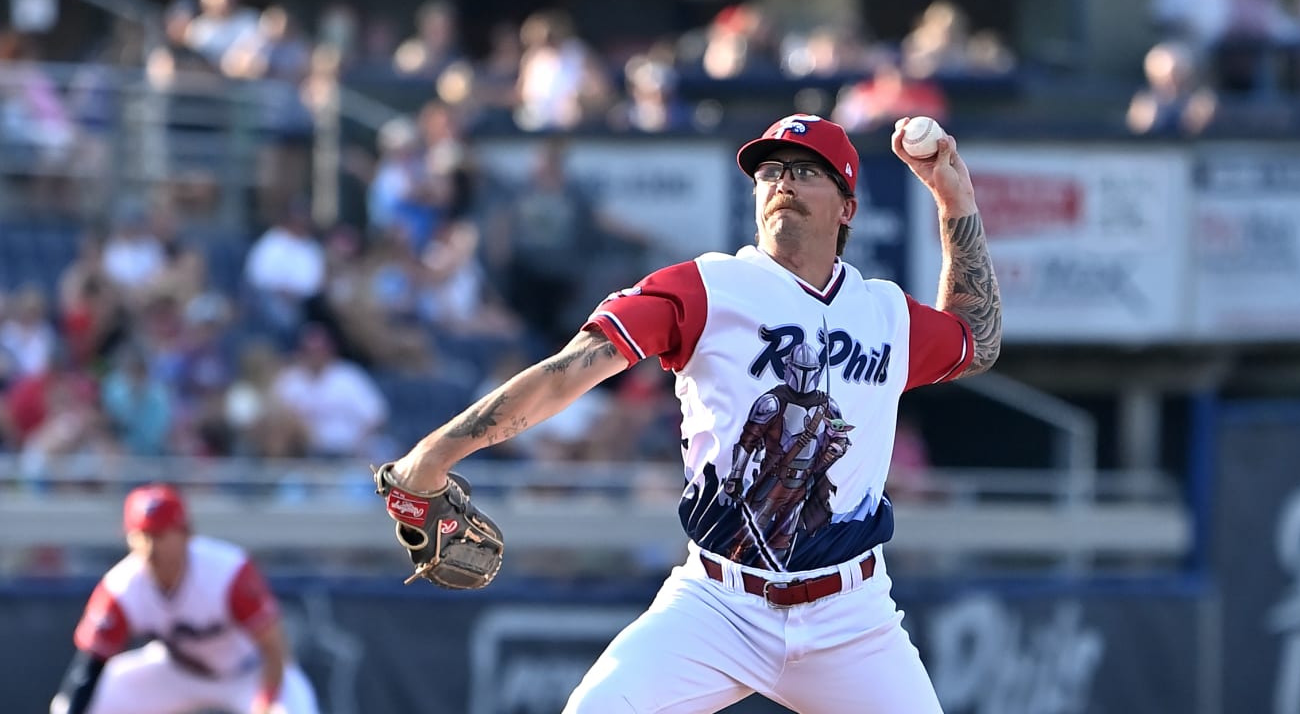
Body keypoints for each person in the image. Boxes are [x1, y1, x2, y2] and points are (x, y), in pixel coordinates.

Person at [380, 112, 1001, 712]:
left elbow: (978, 337)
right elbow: (564, 375)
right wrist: (433, 455)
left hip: (851, 616)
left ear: (847, 208)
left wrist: (955, 198)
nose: (783, 181)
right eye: (770, 170)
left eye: (806, 171)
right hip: (719, 602)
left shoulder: (884, 313)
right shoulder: (706, 288)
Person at [51, 483, 319, 714]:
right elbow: (89, 668)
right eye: (142, 535)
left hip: (249, 672)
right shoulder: (122, 585)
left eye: (160, 534)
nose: (151, 545)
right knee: (75, 704)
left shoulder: (226, 571)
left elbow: (274, 648)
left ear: (186, 533)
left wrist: (265, 702)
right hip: (176, 672)